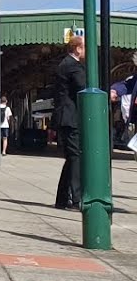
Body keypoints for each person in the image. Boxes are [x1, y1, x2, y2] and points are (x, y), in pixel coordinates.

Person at [53, 35, 87, 210]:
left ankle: (62, 198)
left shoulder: (65, 64)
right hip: (71, 118)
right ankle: (76, 199)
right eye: (85, 47)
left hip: (66, 117)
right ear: (77, 49)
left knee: (71, 158)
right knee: (75, 158)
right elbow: (84, 87)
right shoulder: (72, 67)